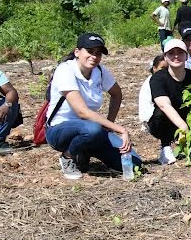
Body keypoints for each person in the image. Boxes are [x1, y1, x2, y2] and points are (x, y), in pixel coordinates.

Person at [46, 33, 139, 180]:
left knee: (134, 164)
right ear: (77, 52)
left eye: (98, 53)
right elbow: (82, 112)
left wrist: (109, 124)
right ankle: (68, 156)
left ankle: (85, 150)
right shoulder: (66, 70)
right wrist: (120, 129)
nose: (94, 57)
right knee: (93, 129)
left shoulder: (99, 71)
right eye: (90, 52)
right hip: (59, 129)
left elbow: (117, 94)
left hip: (91, 131)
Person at [146, 39, 191, 165]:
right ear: (165, 57)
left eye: (180, 52)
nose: (176, 56)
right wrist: (183, 127)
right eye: (171, 53)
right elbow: (164, 105)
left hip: (190, 119)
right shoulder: (157, 78)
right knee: (159, 113)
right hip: (167, 122)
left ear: (186, 55)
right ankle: (166, 146)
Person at [137, 53, 167, 133]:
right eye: (162, 68)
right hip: (151, 120)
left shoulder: (159, 80)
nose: (165, 71)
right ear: (154, 68)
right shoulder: (153, 82)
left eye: (168, 68)